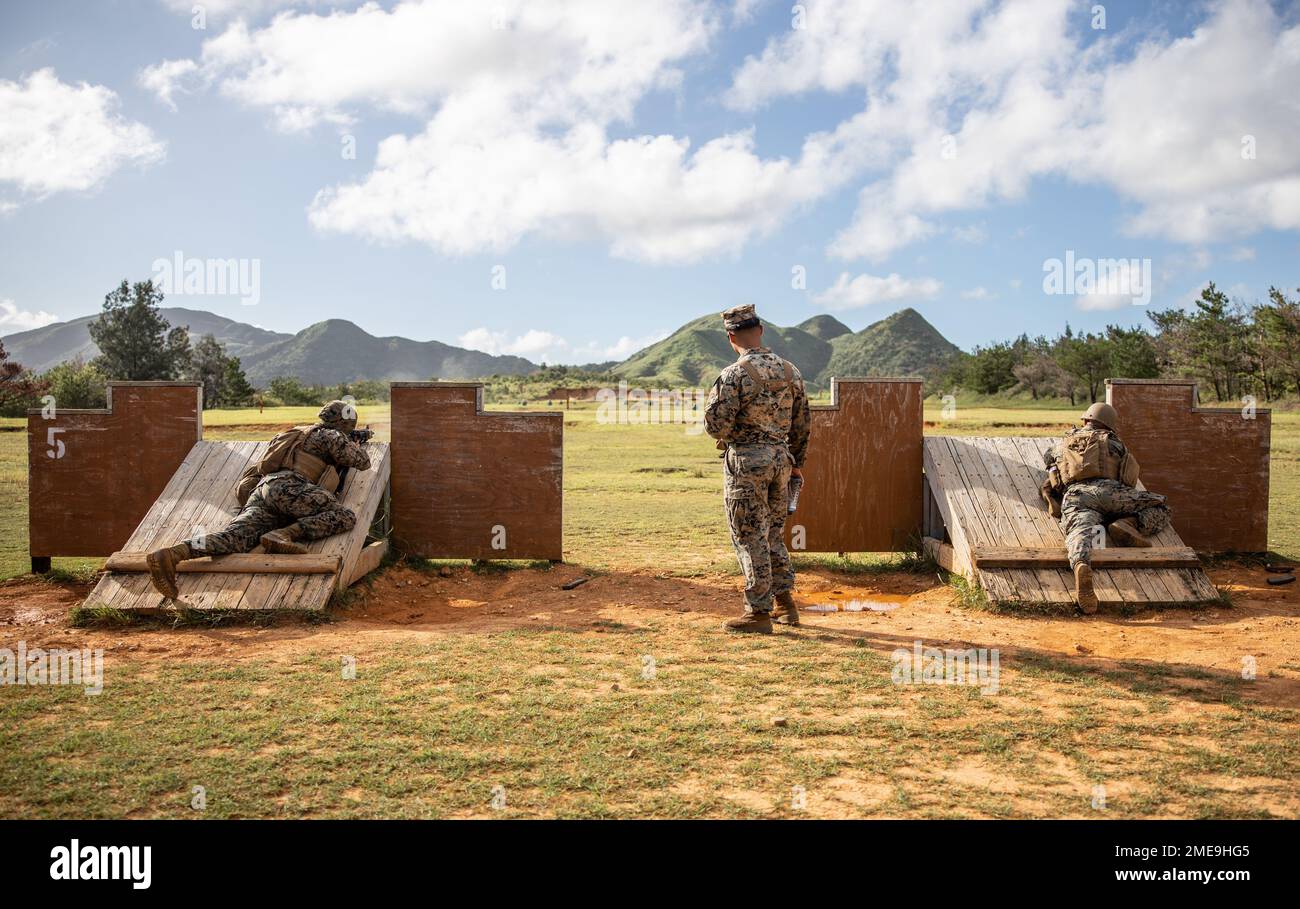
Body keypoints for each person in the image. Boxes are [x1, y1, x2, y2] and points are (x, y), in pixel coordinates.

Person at [144, 400, 373, 599]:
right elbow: (362, 462)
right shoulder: (330, 435)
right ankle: (284, 534)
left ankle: (174, 553)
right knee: (344, 516)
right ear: (344, 425)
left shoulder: (291, 434)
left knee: (234, 538)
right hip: (292, 488)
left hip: (263, 490)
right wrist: (354, 444)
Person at [705, 304, 811, 633]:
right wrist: (796, 464)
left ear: (730, 337)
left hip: (747, 464)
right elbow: (803, 425)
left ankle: (758, 613)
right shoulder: (791, 372)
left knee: (749, 535)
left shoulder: (734, 376)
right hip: (782, 461)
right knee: (772, 535)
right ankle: (786, 605)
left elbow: (715, 426)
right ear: (761, 330)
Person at [1041, 402, 1170, 614]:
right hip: (1112, 493)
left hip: (1078, 495)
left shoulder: (1063, 442)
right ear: (1109, 425)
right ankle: (1128, 523)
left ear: (1085, 420)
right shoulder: (1115, 442)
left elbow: (1049, 458)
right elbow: (1128, 477)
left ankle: (1081, 564)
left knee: (1077, 531)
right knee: (1161, 506)